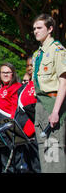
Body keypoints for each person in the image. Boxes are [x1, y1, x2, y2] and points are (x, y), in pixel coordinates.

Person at [32, 13, 66, 173]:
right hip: (40, 106)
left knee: (54, 151)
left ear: (50, 29)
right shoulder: (37, 54)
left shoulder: (57, 50)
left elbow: (63, 82)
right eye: (34, 28)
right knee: (44, 150)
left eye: (39, 28)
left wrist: (55, 112)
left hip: (52, 104)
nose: (35, 31)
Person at [0, 62, 23, 172]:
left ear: (13, 74)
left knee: (11, 164)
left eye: (8, 72)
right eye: (3, 72)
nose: (5, 74)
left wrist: (11, 124)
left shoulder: (17, 87)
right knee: (0, 163)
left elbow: (15, 108)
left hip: (10, 131)